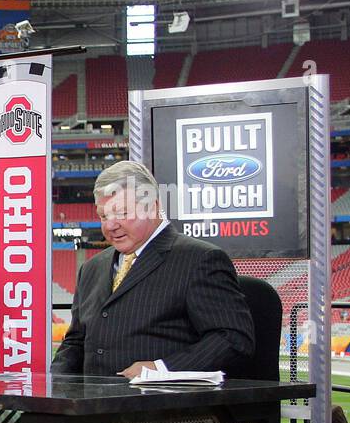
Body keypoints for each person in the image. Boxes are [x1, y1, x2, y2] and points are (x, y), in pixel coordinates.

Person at [51, 160, 254, 379]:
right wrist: (51, 386)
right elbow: (76, 342)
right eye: (103, 216)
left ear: (153, 207)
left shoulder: (199, 260)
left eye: (121, 213)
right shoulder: (92, 268)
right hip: (93, 407)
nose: (110, 225)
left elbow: (233, 338)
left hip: (161, 406)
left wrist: (160, 369)